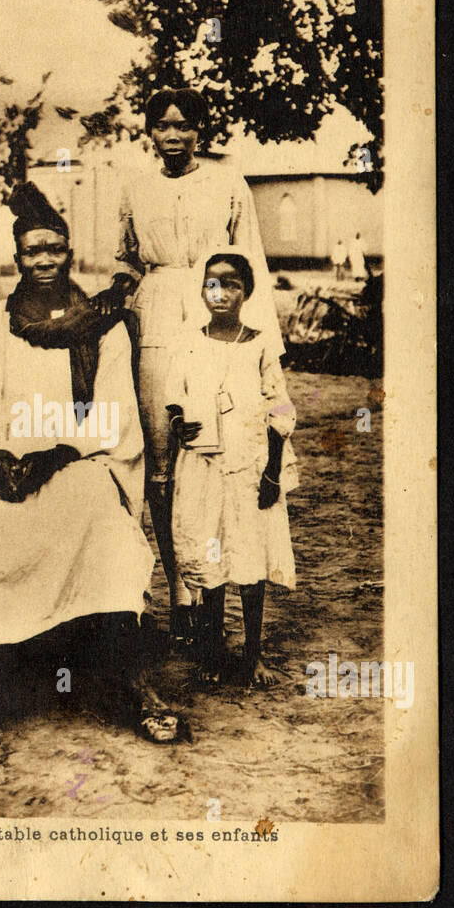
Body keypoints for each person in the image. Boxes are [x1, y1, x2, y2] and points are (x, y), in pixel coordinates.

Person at [0, 182, 180, 744]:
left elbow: (113, 414)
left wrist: (59, 452)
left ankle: (130, 678)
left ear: (69, 252)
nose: (44, 261)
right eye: (33, 251)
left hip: (77, 455)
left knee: (97, 513)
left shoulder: (102, 325)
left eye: (54, 249)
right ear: (18, 258)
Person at [96, 87, 283, 648]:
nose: (173, 136)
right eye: (162, 126)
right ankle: (181, 592)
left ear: (201, 130)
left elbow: (250, 261)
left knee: (211, 450)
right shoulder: (135, 186)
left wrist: (261, 339)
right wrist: (117, 290)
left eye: (184, 126)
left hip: (212, 309)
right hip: (154, 316)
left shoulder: (227, 183)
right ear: (149, 132)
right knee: (161, 454)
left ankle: (213, 586)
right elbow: (127, 257)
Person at [165, 253, 297, 688]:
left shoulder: (259, 345)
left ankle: (254, 653)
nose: (220, 293)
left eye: (231, 284)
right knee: (214, 557)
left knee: (250, 559)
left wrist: (272, 473)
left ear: (248, 290)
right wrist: (179, 424)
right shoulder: (187, 342)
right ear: (201, 291)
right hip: (204, 469)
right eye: (211, 284)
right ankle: (214, 651)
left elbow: (280, 412)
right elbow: (174, 399)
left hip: (249, 467)